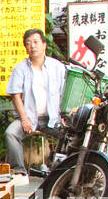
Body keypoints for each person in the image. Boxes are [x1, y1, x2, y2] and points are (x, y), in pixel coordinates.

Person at [4, 29, 67, 177]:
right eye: (28, 43)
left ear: (44, 45)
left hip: (54, 118)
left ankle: (61, 170)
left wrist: (65, 114)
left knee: (71, 135)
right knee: (10, 134)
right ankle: (19, 171)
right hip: (30, 118)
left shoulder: (57, 67)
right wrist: (24, 119)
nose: (32, 46)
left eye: (36, 42)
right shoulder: (20, 68)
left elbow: (64, 93)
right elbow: (15, 96)